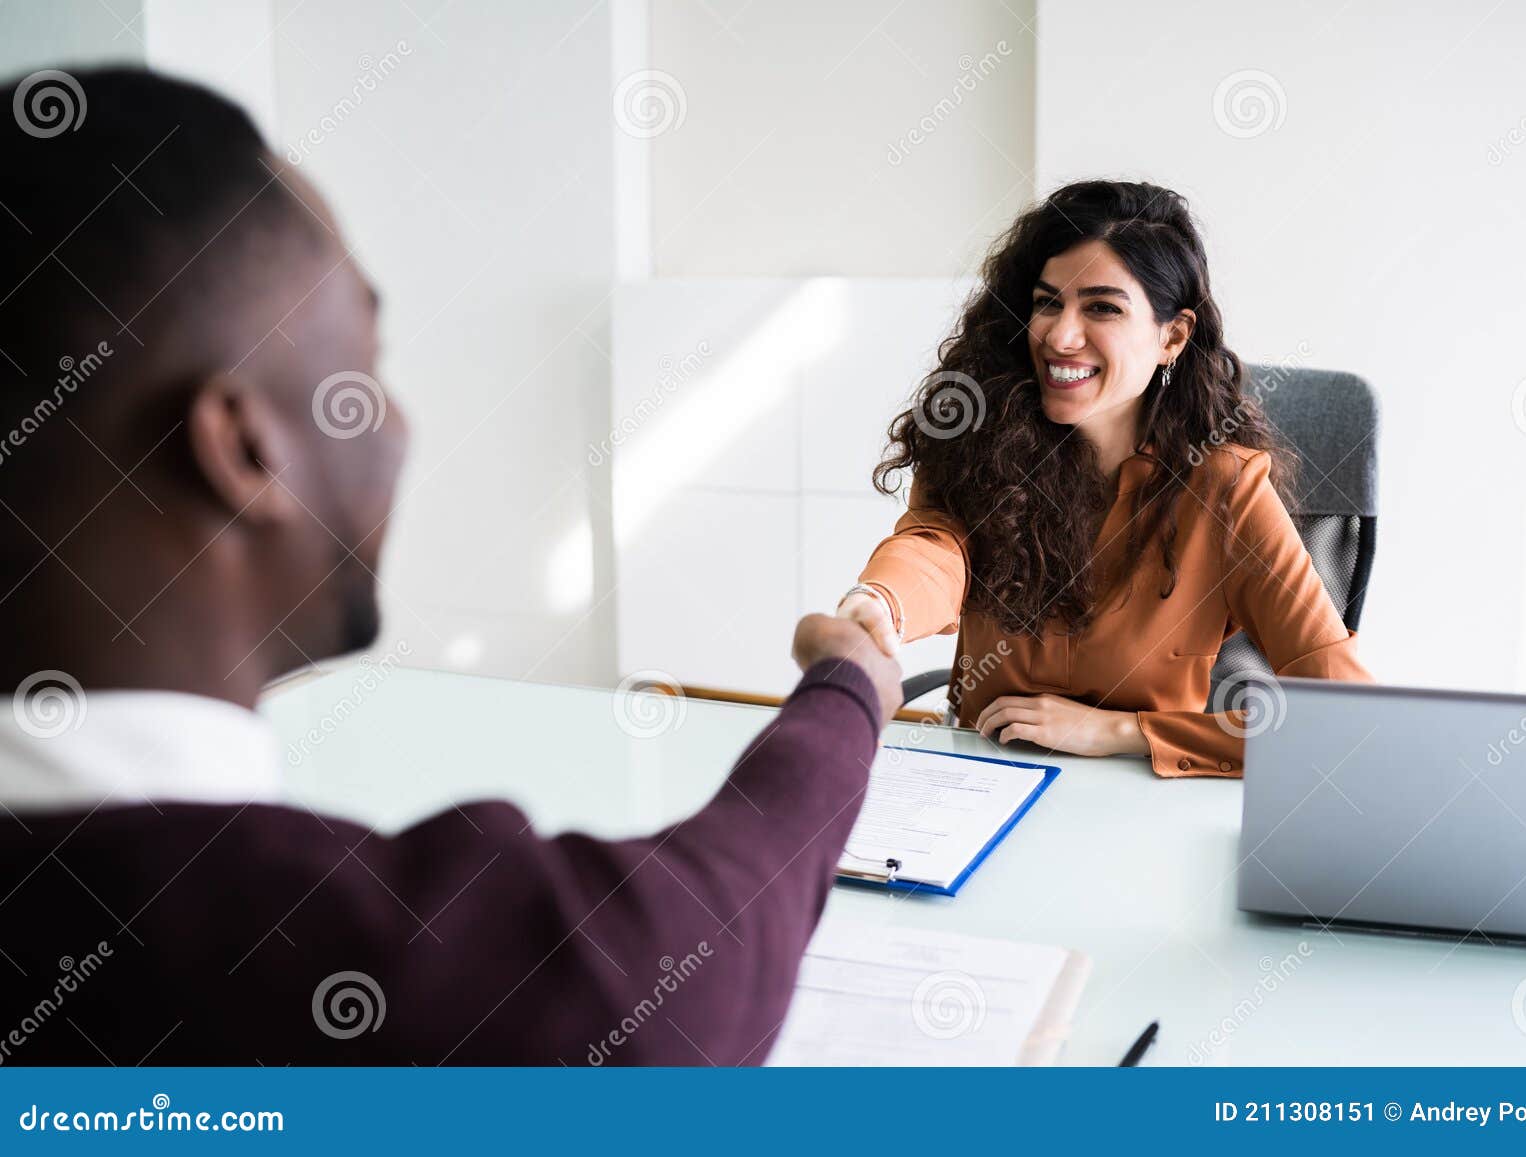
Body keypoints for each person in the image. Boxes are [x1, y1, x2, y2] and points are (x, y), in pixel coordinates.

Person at [0, 67, 901, 1065]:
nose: (396, 423)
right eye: (366, 368)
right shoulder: (303, 954)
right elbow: (656, 984)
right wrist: (848, 688)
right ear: (248, 451)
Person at [837, 180, 1370, 778]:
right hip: (978, 788)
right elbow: (933, 548)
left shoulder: (1225, 489)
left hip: (1139, 807)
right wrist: (879, 604)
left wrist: (1125, 732)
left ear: (1171, 336)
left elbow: (1344, 717)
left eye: (1102, 307)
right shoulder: (978, 446)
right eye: (1047, 302)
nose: (1060, 336)